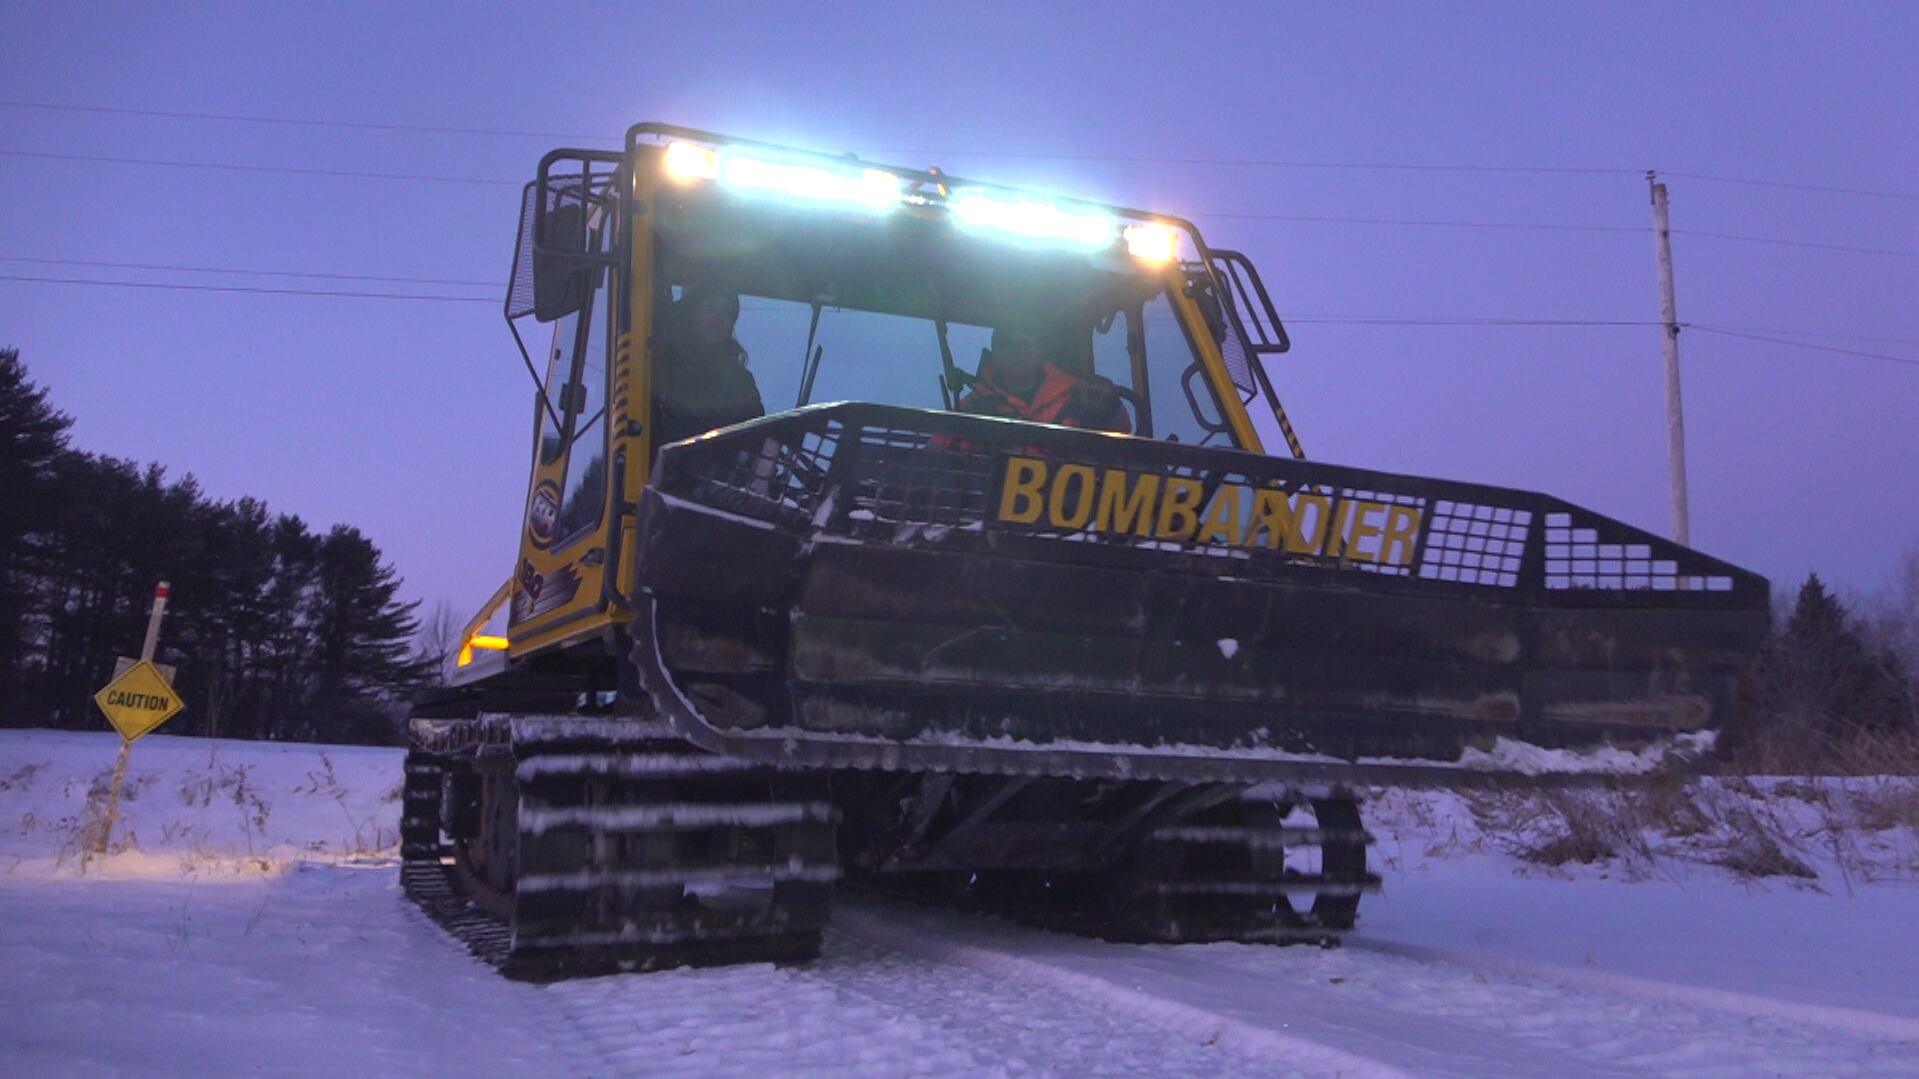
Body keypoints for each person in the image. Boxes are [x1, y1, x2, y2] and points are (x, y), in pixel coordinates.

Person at [653, 281, 766, 446]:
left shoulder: (741, 382)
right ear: (691, 313)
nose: (718, 317)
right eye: (709, 307)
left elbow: (758, 438)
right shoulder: (661, 362)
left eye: (726, 311)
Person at [958, 326, 1131, 434]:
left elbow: (1123, 443)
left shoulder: (1080, 394)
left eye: (1024, 344)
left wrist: (1111, 411)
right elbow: (938, 463)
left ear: (1040, 350)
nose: (1017, 351)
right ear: (994, 352)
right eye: (1007, 344)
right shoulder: (971, 408)